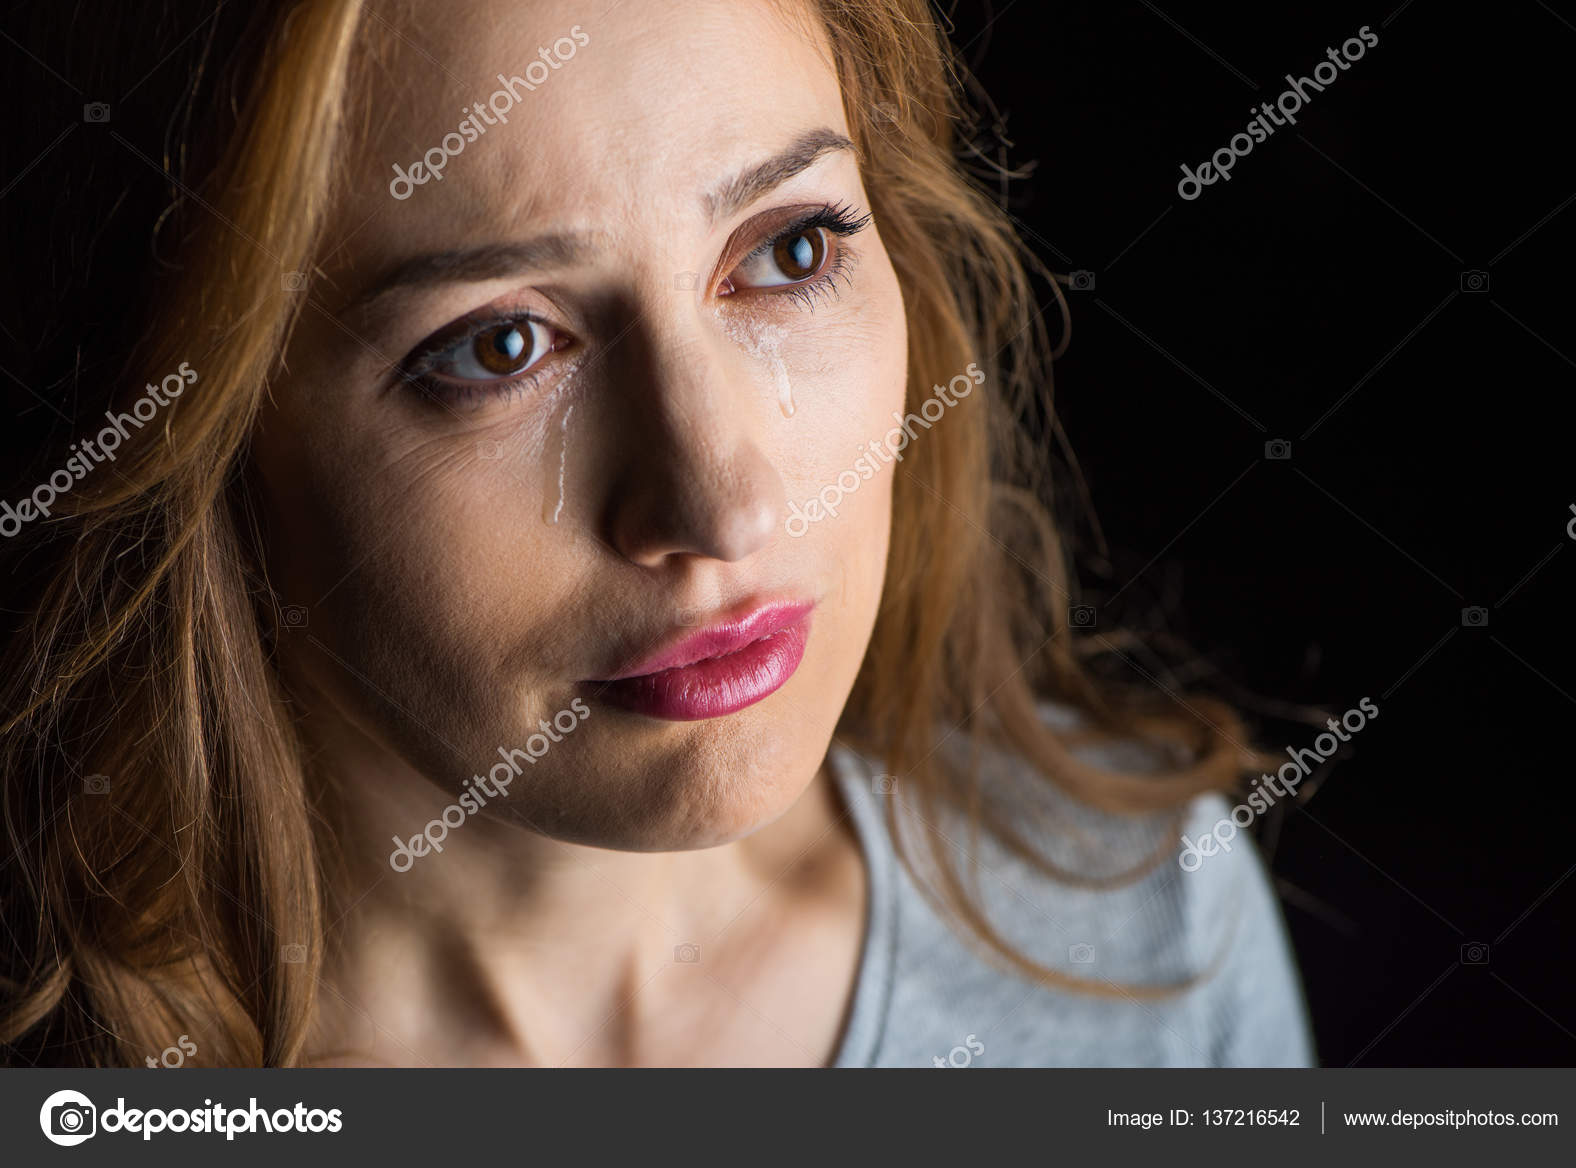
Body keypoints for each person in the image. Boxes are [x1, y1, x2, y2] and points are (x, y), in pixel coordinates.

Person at [0, 0, 1312, 1067]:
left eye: (792, 253)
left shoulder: (1141, 917)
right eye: (498, 345)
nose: (724, 507)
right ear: (193, 421)